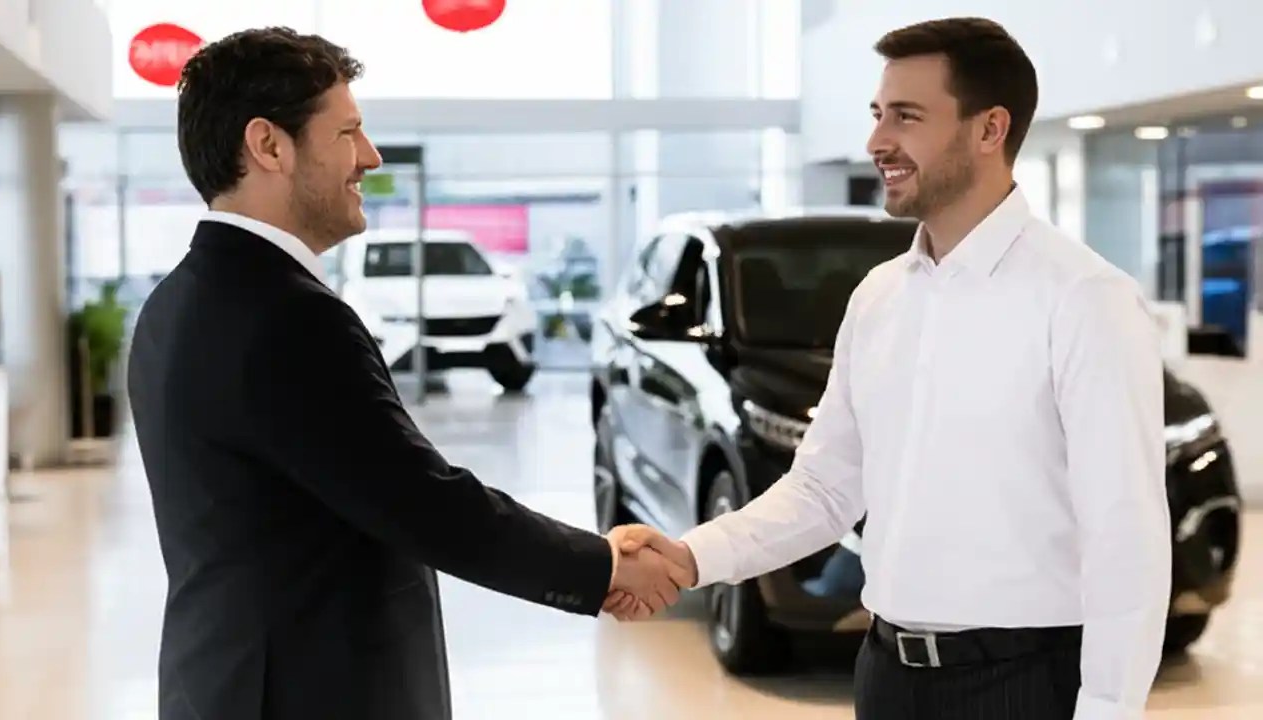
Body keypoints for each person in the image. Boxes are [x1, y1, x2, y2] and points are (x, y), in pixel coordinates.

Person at [610, 16, 1170, 720]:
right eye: (878, 115)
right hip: (886, 677)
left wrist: (1110, 710)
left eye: (906, 116)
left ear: (989, 129)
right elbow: (823, 490)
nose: (877, 142)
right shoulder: (878, 297)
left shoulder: (1086, 299)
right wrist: (689, 558)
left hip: (1027, 686)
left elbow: (1126, 535)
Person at [127, 27, 690, 720]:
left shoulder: (175, 300)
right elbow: (423, 502)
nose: (370, 156)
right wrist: (598, 568)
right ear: (268, 145)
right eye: (349, 132)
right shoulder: (286, 316)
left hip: (223, 681)